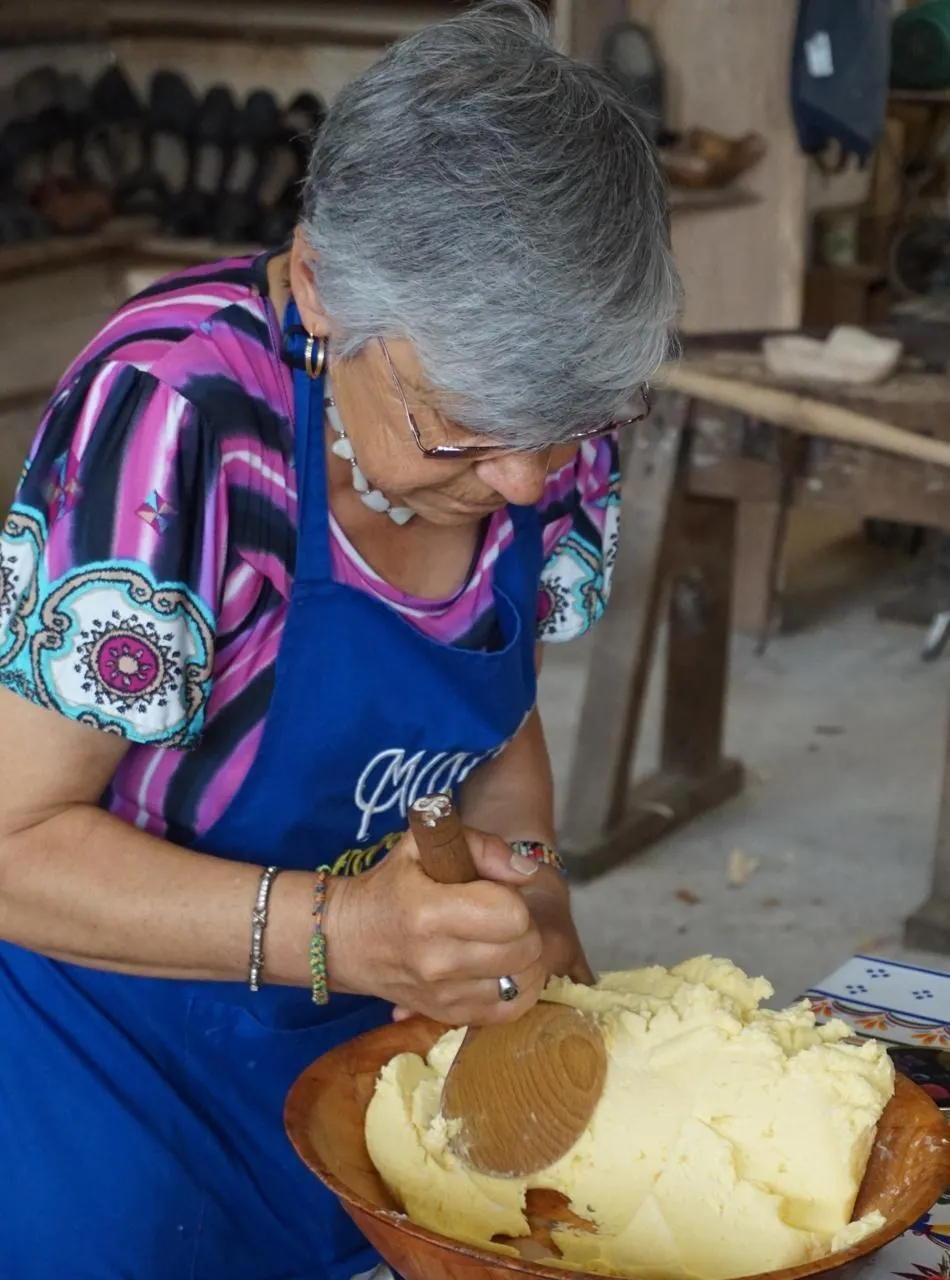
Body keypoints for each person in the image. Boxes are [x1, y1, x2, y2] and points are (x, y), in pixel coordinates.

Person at [0, 2, 680, 1277]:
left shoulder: (540, 417)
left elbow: (493, 715)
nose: (529, 481)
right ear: (320, 284)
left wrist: (533, 919)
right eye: (454, 430)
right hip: (104, 1062)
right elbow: (10, 843)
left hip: (351, 1053)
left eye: (575, 422)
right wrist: (343, 932)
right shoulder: (177, 412)